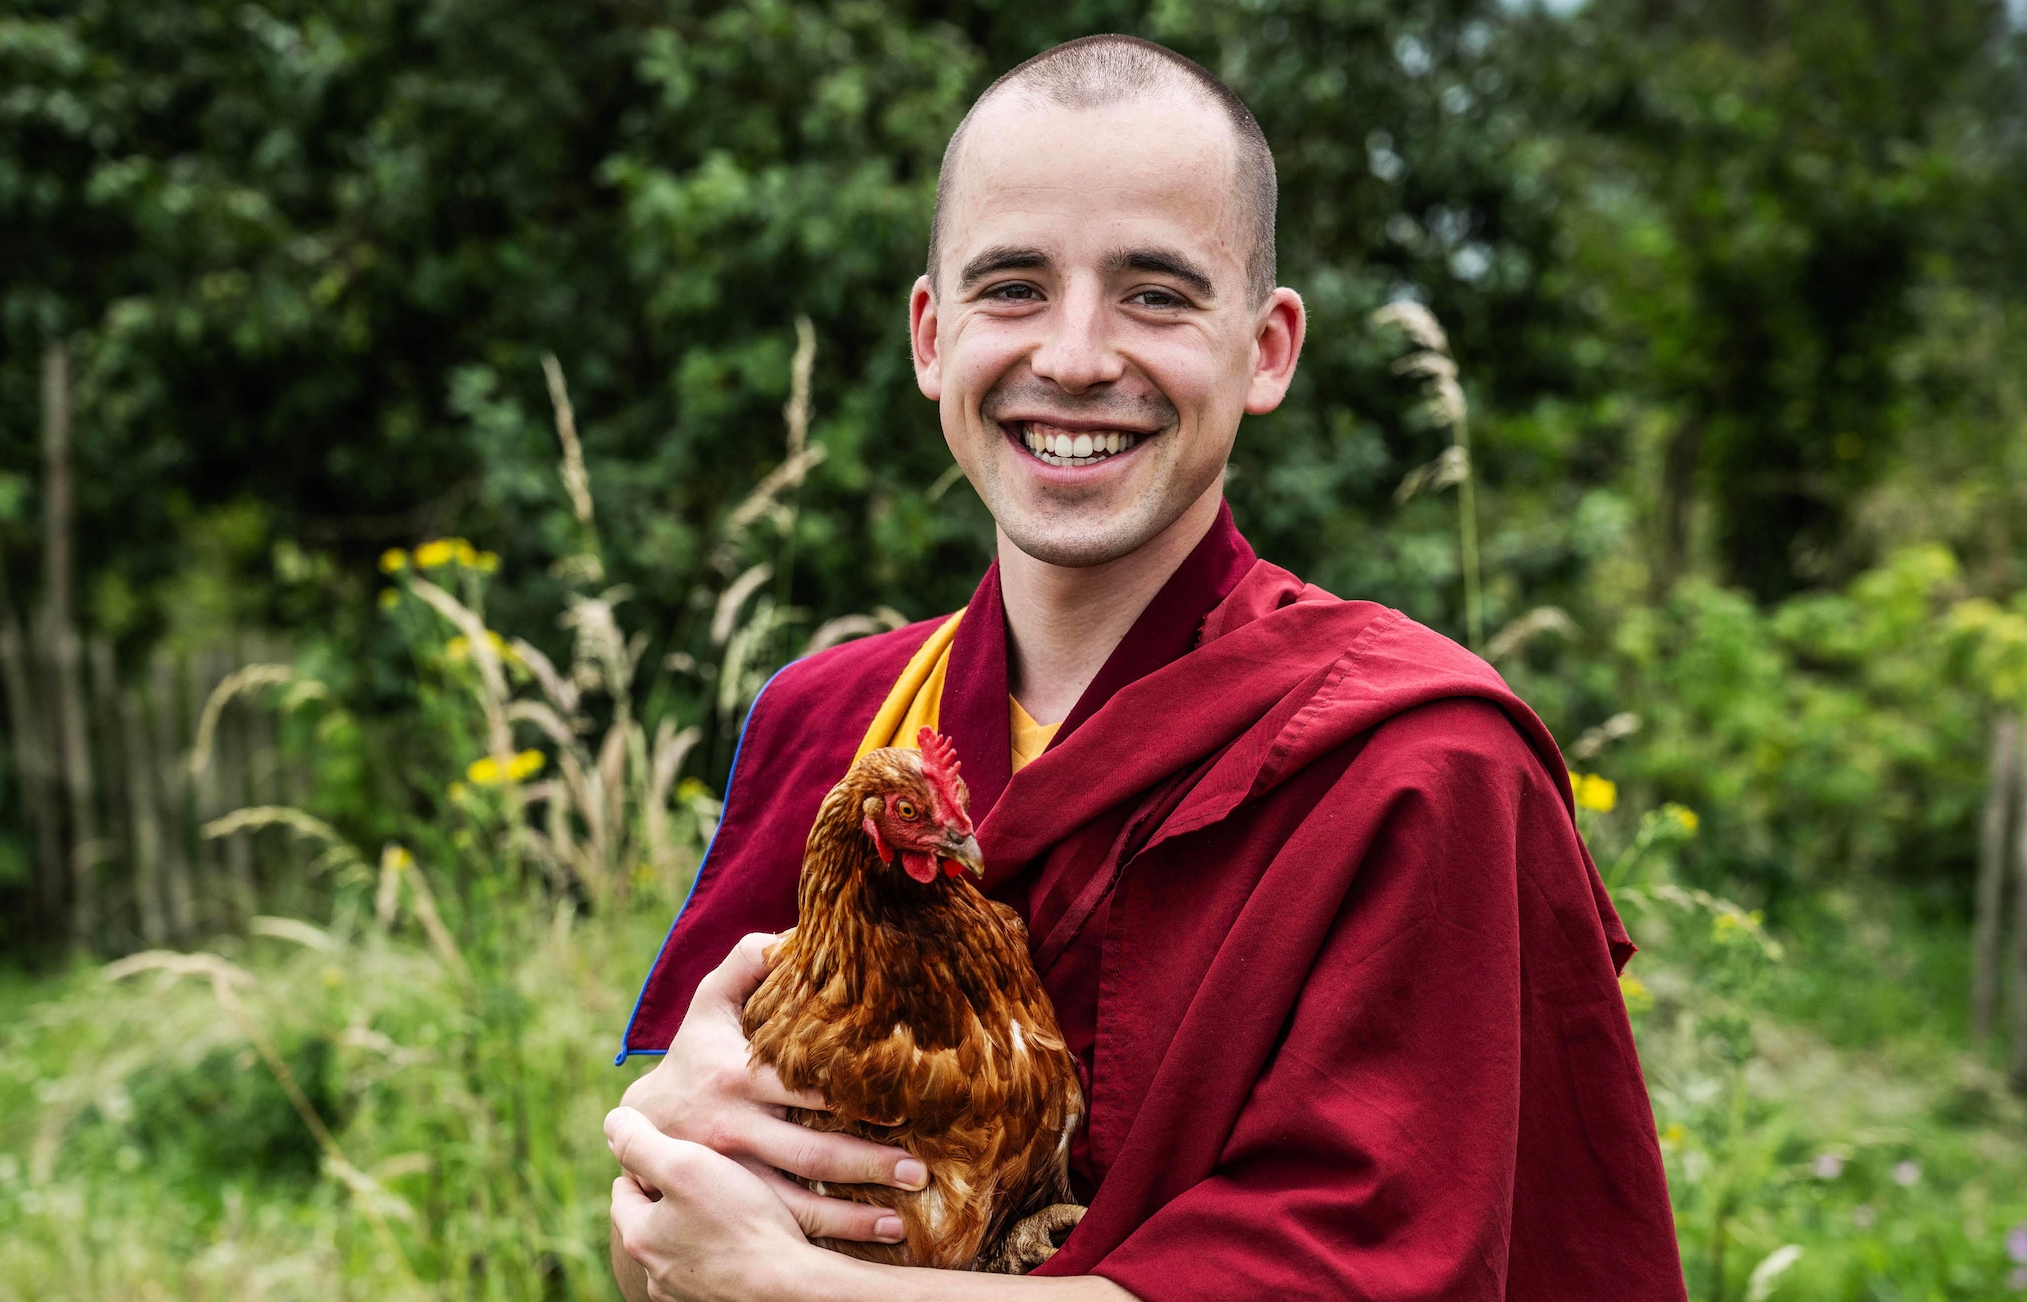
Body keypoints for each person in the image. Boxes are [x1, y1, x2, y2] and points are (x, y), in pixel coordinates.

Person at [602, 33, 1684, 1302]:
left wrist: (798, 1289)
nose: (1071, 356)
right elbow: (678, 1267)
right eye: (1011, 286)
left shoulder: (1416, 764)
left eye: (1155, 294)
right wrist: (657, 1182)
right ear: (928, 336)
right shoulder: (831, 721)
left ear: (1267, 348)